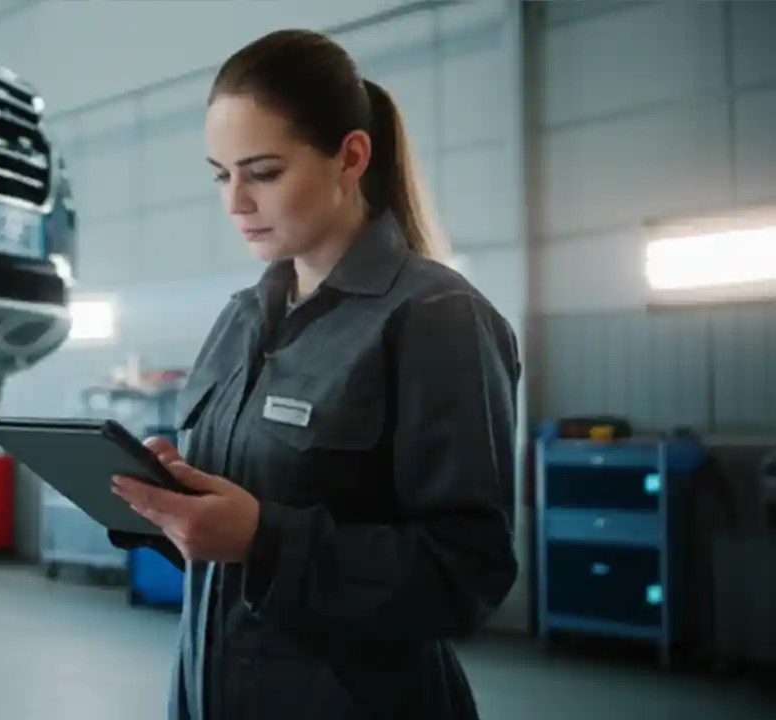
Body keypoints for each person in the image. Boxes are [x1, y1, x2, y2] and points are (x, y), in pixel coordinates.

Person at [108, 28, 521, 720]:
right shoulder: (240, 320)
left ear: (350, 157)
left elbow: (467, 573)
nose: (234, 202)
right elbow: (231, 549)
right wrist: (171, 508)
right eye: (221, 173)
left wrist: (262, 539)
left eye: (263, 172)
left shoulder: (434, 317)